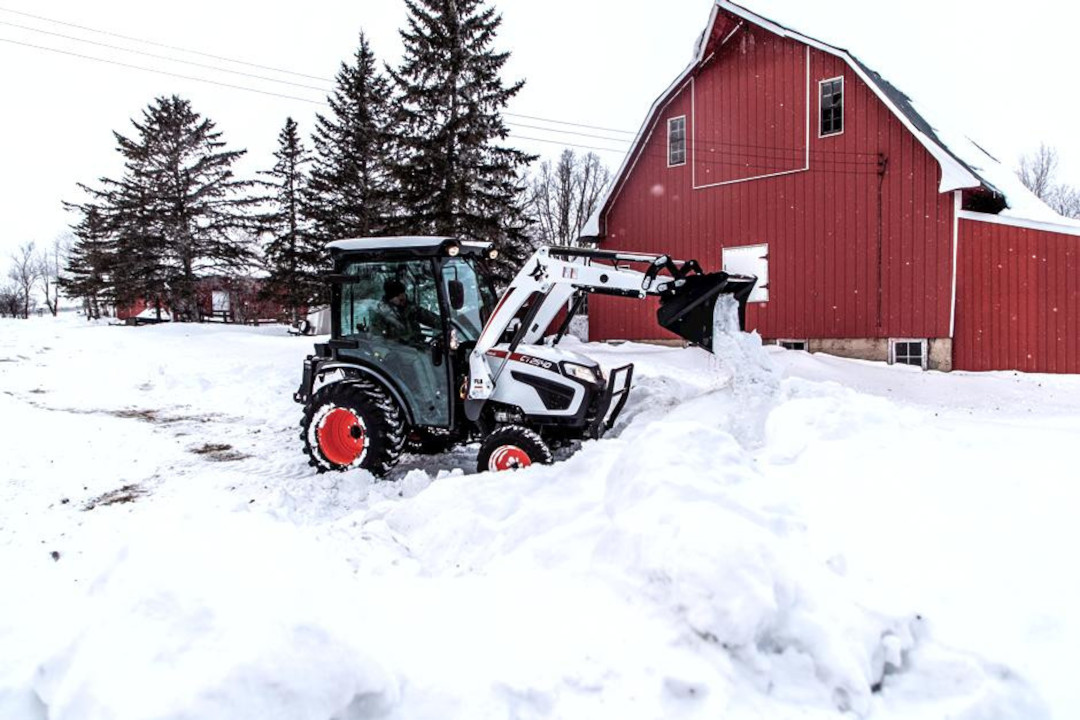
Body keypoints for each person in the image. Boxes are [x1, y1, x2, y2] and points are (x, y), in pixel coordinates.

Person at [372, 277, 438, 346]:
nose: (403, 299)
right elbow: (376, 339)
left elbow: (431, 319)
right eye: (400, 299)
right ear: (390, 298)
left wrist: (443, 324)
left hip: (417, 347)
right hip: (396, 350)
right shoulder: (381, 314)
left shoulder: (411, 309)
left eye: (404, 295)